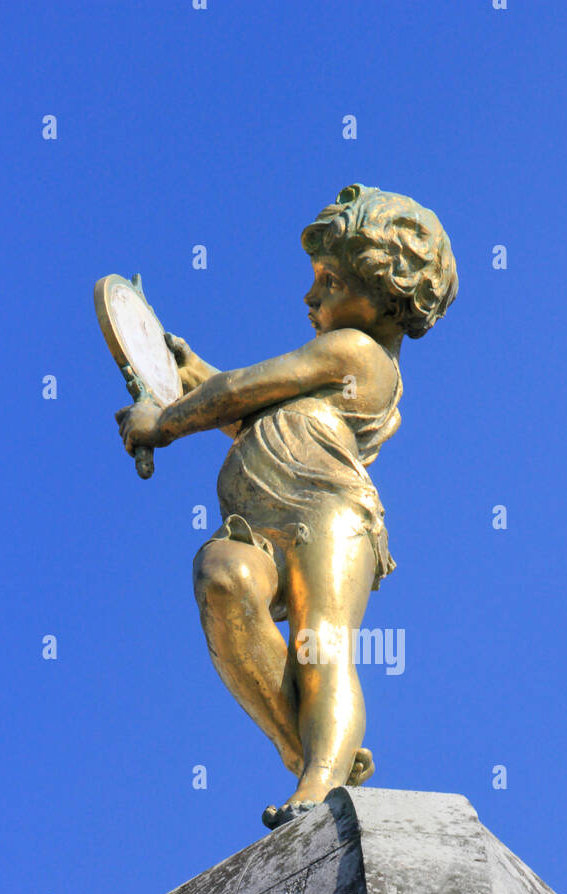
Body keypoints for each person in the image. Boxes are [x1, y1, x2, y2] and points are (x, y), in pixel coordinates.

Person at [117, 184, 457, 827]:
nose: (310, 296)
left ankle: (319, 784)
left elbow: (244, 389)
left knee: (321, 647)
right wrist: (188, 371)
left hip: (328, 518)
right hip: (261, 519)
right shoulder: (330, 371)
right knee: (223, 578)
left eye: (328, 281)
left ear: (385, 291)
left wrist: (162, 422)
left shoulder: (355, 351)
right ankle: (307, 749)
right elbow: (252, 411)